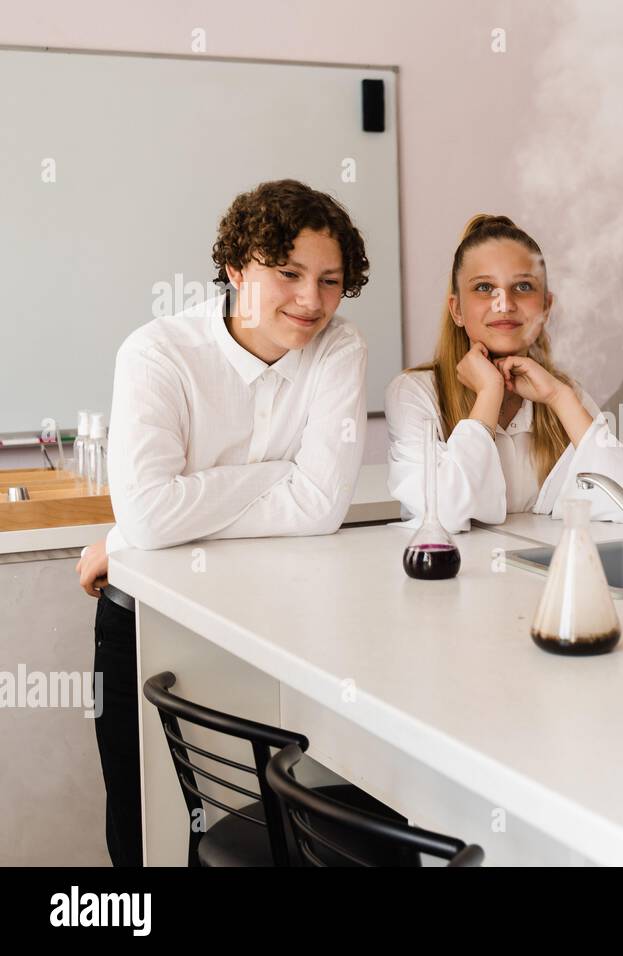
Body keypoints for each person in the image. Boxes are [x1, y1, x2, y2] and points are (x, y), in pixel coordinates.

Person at [74, 179, 371, 864]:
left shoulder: (339, 348)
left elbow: (321, 509)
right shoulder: (157, 353)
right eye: (289, 273)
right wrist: (280, 476)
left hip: (277, 621)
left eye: (330, 281)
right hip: (148, 617)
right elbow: (149, 513)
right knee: (147, 827)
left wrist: (133, 532)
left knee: (269, 819)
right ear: (238, 268)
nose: (311, 300)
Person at [385, 214, 623, 529]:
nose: (504, 304)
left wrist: (559, 397)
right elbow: (443, 512)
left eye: (523, 286)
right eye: (484, 287)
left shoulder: (563, 394)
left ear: (546, 307)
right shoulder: (414, 394)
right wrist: (488, 394)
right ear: (457, 309)